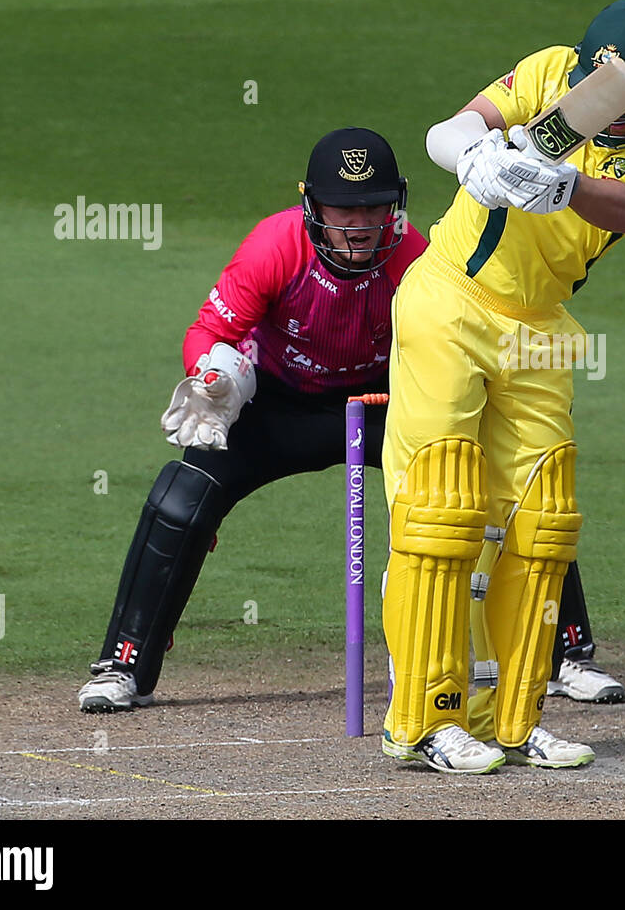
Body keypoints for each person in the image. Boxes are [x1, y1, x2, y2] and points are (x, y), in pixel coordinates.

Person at [381, 0, 625, 773]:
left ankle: (513, 724)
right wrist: (475, 159)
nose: (622, 107)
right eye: (610, 89)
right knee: (442, 507)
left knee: (543, 519)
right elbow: (447, 128)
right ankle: (424, 721)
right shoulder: (552, 73)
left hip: (538, 326)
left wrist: (562, 186)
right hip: (450, 300)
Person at [77, 128, 427, 712]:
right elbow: (208, 333)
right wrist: (211, 380)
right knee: (180, 497)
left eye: (374, 207)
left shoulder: (413, 258)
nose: (360, 224)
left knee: (476, 477)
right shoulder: (275, 245)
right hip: (275, 408)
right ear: (311, 205)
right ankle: (124, 665)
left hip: (376, 407)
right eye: (344, 208)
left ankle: (556, 654)